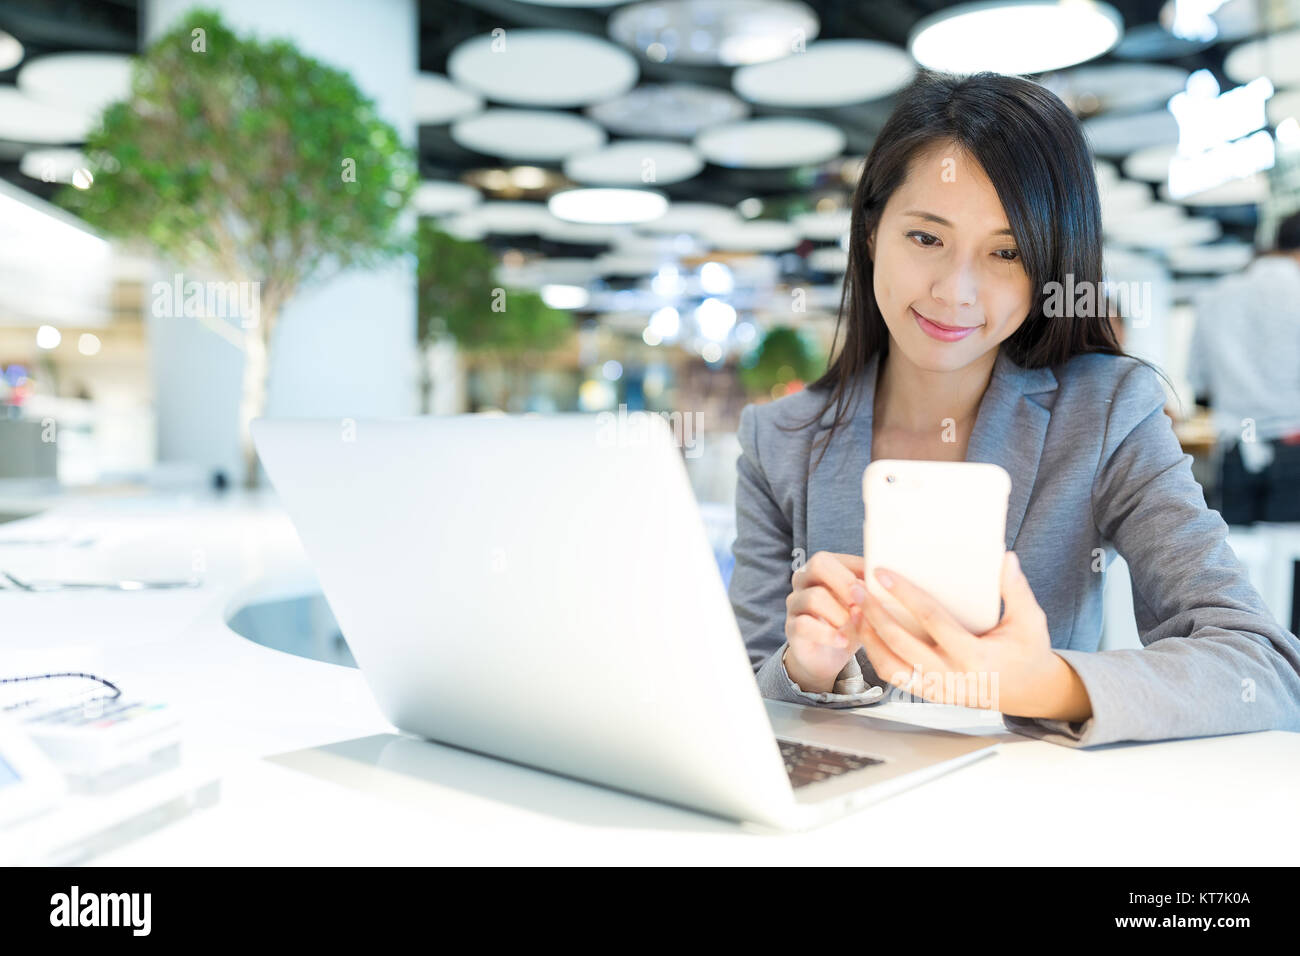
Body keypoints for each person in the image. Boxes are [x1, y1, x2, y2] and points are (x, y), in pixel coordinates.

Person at [727, 69, 1300, 748]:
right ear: (873, 231)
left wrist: (1039, 683)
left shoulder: (1105, 413)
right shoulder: (780, 438)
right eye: (926, 238)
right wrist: (808, 670)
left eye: (1007, 252)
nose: (956, 292)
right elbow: (736, 695)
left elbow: (1264, 667)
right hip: (837, 803)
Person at [1188, 214, 1300, 524]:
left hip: (1236, 448)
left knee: (1237, 549)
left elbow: (1198, 383)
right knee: (1292, 550)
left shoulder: (1215, 295)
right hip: (1293, 444)